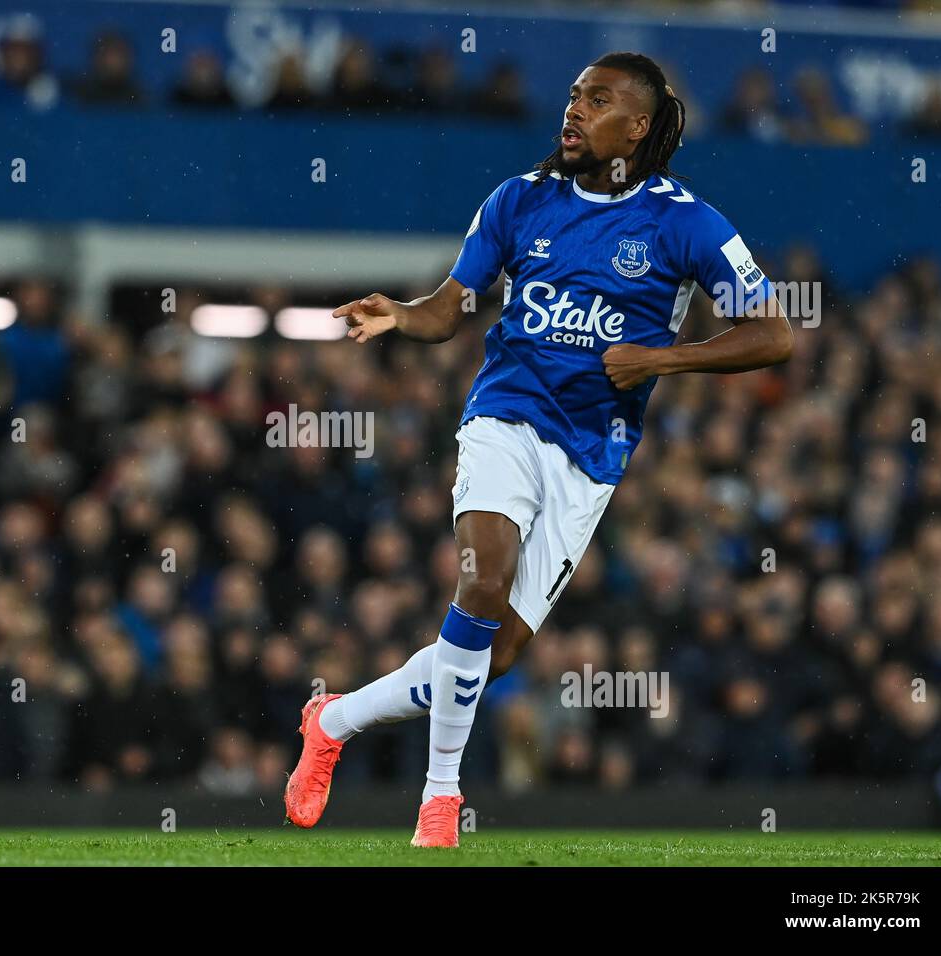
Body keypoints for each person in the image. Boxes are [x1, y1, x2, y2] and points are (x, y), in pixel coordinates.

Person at [285, 52, 793, 847]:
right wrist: (402, 314)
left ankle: (334, 720)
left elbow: (774, 334)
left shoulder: (686, 222)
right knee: (481, 579)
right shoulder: (519, 201)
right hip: (506, 415)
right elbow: (452, 309)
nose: (574, 110)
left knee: (497, 657)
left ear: (640, 126)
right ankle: (440, 802)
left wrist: (662, 360)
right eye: (572, 95)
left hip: (591, 454)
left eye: (596, 100)